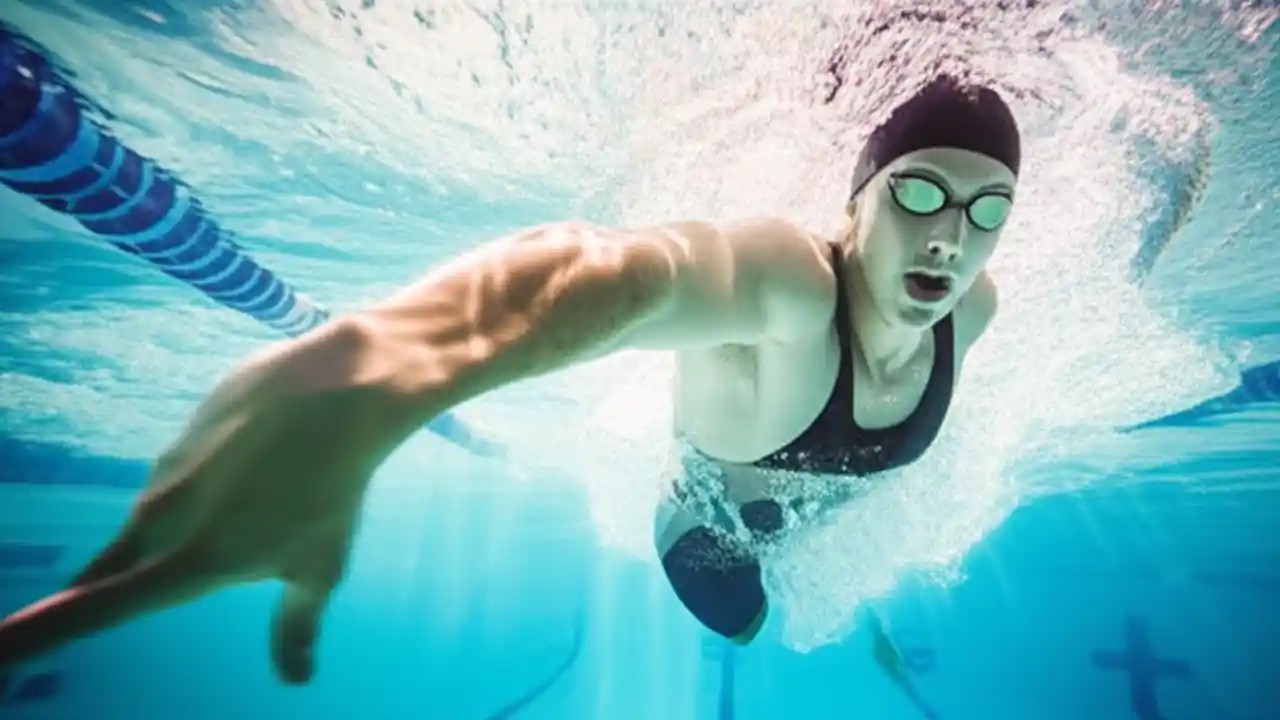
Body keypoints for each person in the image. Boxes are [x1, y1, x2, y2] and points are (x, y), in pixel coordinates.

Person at [0, 73, 1020, 683]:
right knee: (751, 628)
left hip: (815, 516)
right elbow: (611, 271)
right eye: (918, 192)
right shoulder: (790, 287)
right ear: (854, 207)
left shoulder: (969, 311)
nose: (947, 235)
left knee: (827, 590)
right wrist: (380, 370)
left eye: (984, 210)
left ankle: (852, 604)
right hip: (710, 524)